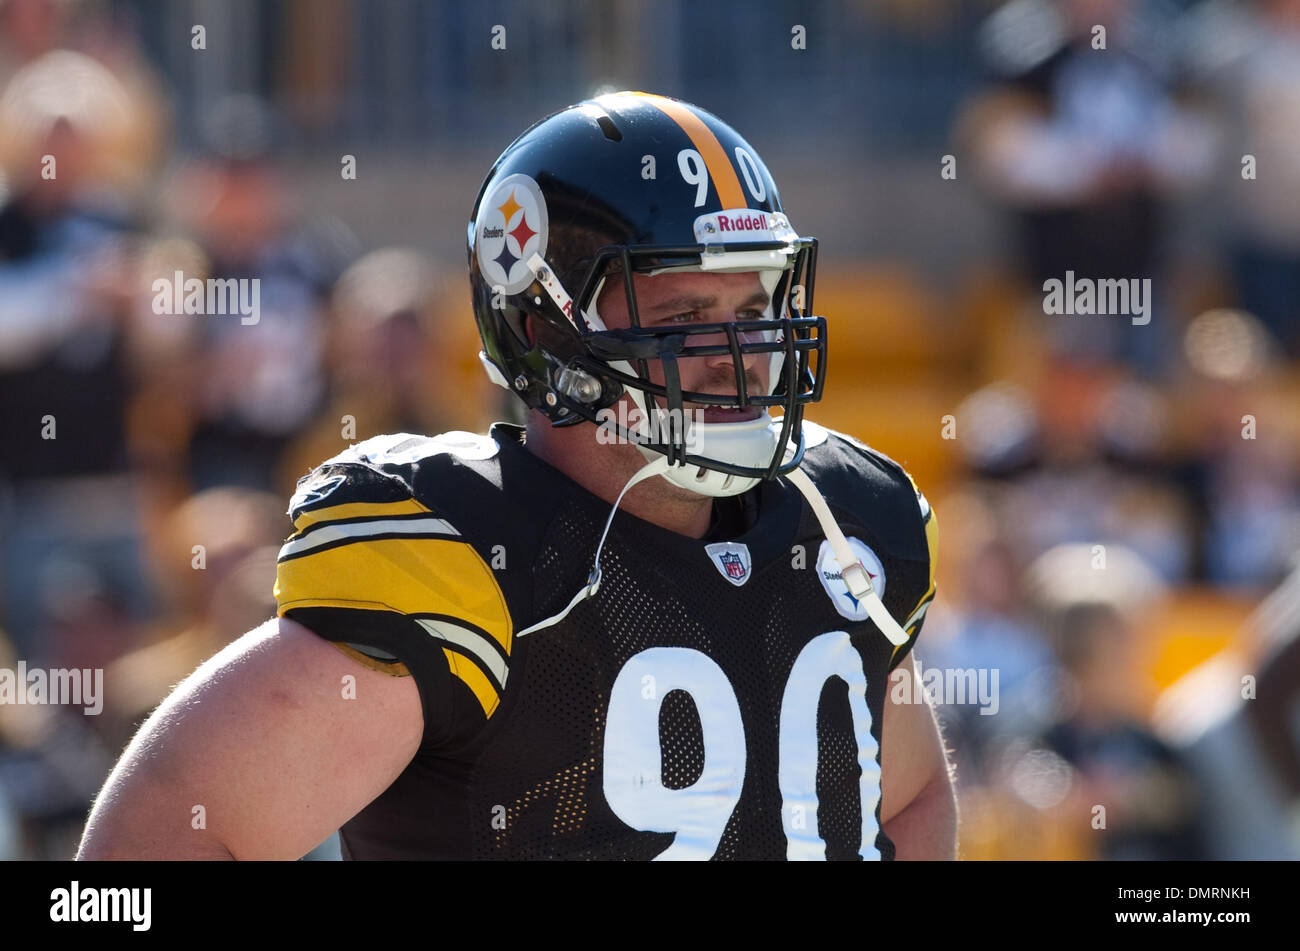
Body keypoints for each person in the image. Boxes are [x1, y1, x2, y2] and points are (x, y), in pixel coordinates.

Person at [77, 91, 954, 860]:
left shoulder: (843, 519)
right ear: (546, 332)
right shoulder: (468, 558)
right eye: (686, 312)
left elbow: (908, 797)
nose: (737, 351)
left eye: (753, 306)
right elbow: (164, 835)